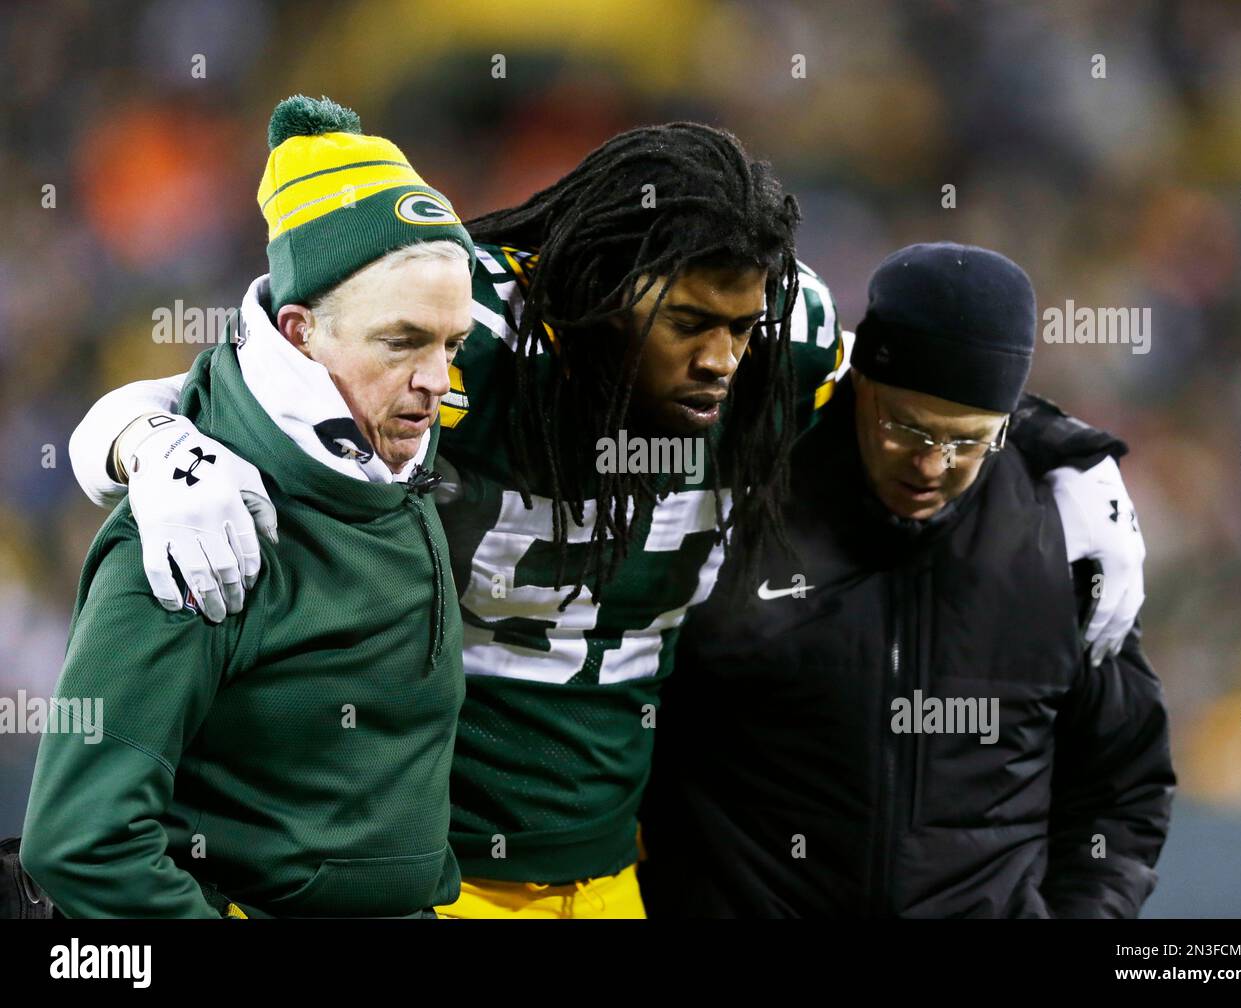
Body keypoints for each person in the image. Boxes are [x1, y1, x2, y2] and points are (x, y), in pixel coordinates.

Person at [66, 125, 1147, 917]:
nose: (724, 357)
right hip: (422, 860)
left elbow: (913, 385)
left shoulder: (789, 337)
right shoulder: (476, 335)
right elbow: (274, 390)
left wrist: (1068, 459)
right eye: (686, 323)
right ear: (600, 288)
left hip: (613, 864)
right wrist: (145, 442)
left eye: (742, 322)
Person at [21, 96, 474, 917]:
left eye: (453, 344)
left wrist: (129, 428)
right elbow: (80, 844)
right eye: (404, 342)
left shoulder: (392, 429)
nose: (439, 383)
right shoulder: (192, 534)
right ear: (297, 333)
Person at [638, 243, 1174, 918]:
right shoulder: (737, 499)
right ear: (859, 378)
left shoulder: (1066, 542)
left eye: (969, 441)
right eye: (906, 427)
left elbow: (1122, 787)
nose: (932, 464)